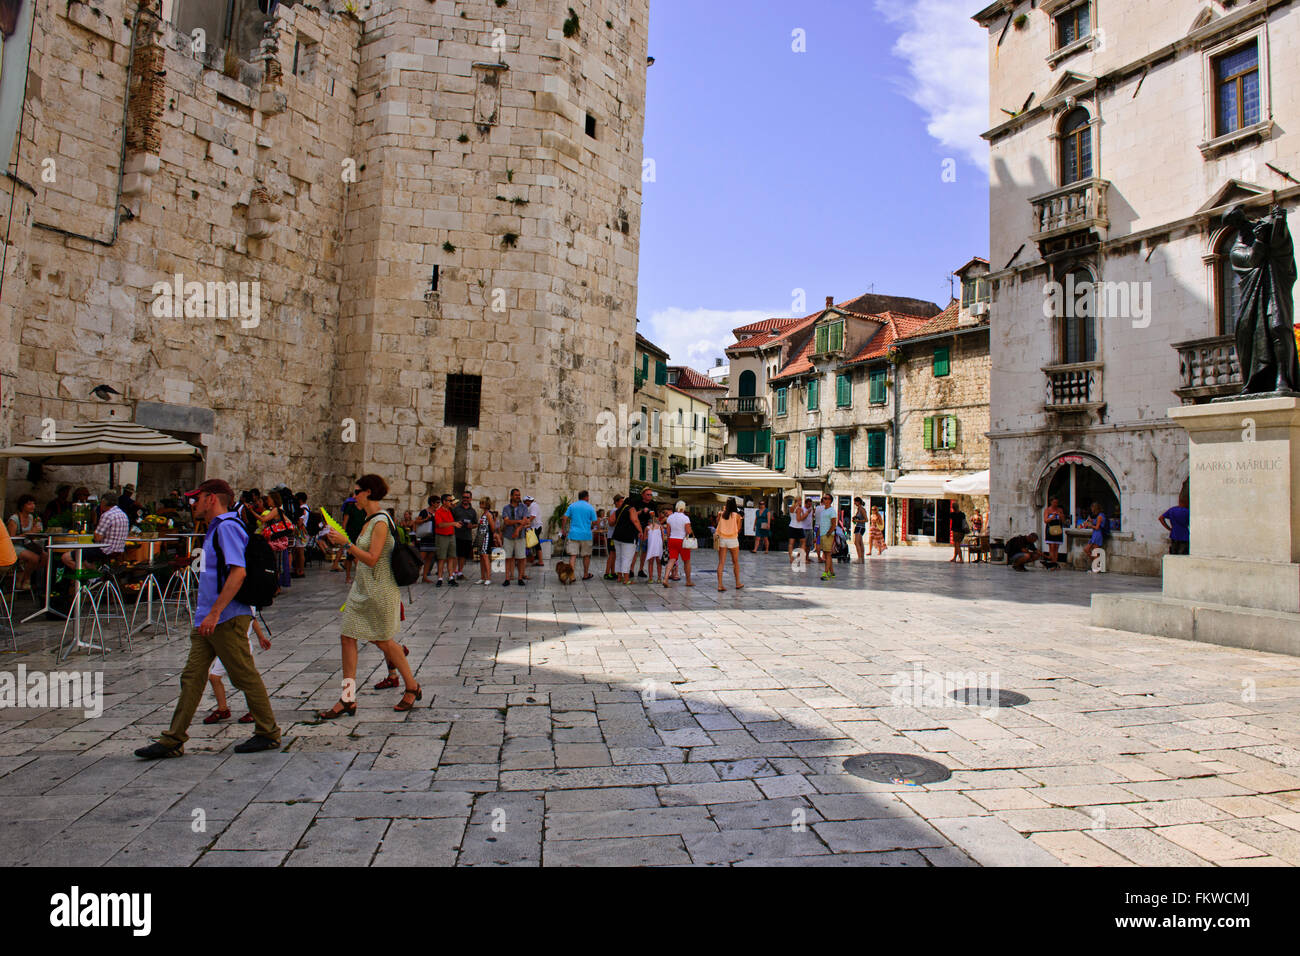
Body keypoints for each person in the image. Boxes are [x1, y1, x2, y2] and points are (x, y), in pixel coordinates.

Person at [135, 479, 281, 758]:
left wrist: (215, 613)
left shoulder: (227, 528)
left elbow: (238, 572)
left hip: (225, 618)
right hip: (209, 619)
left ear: (212, 499)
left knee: (244, 676)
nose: (193, 504)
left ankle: (268, 732)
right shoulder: (218, 529)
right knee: (192, 678)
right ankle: (173, 738)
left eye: (198, 498)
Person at [319, 474, 421, 717]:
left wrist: (346, 544)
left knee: (384, 642)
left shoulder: (381, 522)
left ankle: (412, 686)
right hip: (362, 590)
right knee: (347, 638)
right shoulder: (369, 519)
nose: (353, 496)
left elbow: (373, 559)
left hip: (380, 591)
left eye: (356, 492)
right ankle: (347, 698)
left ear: (368, 492)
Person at [204, 613, 272, 724]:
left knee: (246, 679)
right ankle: (222, 709)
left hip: (239, 644)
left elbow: (252, 618)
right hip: (227, 644)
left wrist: (261, 637)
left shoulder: (243, 604)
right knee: (214, 677)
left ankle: (255, 711)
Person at [61, 490, 128, 571]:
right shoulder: (123, 515)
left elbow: (97, 538)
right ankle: (94, 578)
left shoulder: (107, 515)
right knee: (86, 559)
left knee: (66, 557)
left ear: (104, 502)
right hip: (118, 550)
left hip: (105, 550)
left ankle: (84, 576)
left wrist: (95, 533)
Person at [7, 494, 44, 591]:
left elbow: (31, 535)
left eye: (34, 504)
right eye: (29, 504)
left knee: (46, 556)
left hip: (26, 544)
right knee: (34, 558)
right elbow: (11, 539)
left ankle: (23, 575)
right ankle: (26, 579)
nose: (33, 506)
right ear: (22, 506)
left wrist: (36, 531)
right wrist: (30, 532)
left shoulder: (31, 517)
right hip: (14, 546)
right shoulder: (14, 519)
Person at [561, 490, 598, 580]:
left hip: (573, 534)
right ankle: (585, 575)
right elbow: (595, 522)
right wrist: (592, 525)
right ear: (586, 497)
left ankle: (572, 576)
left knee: (573, 555)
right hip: (586, 535)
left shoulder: (572, 506)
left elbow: (564, 518)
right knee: (586, 555)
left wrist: (563, 530)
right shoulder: (590, 507)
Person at [500, 488, 532, 586]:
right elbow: (506, 521)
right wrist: (518, 521)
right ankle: (507, 578)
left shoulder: (524, 507)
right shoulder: (506, 508)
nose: (518, 497)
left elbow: (526, 521)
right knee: (508, 557)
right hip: (508, 535)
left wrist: (518, 529)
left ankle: (520, 578)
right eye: (516, 495)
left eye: (519, 495)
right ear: (511, 496)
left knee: (521, 557)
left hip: (520, 536)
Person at [610, 492, 642, 584]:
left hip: (617, 536)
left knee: (619, 557)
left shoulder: (619, 509)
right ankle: (626, 579)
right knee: (627, 558)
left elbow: (611, 521)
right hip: (628, 537)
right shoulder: (631, 508)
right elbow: (634, 520)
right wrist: (641, 531)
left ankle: (619, 577)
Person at [663, 500, 695, 588]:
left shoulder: (670, 518)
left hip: (672, 540)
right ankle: (688, 581)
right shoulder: (685, 518)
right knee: (686, 561)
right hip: (682, 541)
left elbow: (668, 532)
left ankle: (665, 578)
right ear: (684, 508)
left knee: (672, 560)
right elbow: (688, 531)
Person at [715, 497, 743, 591]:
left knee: (721, 562)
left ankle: (719, 585)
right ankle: (738, 583)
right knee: (735, 562)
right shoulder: (737, 516)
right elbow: (738, 529)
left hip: (722, 539)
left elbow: (717, 523)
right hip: (733, 540)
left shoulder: (721, 514)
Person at [433, 493, 457, 587]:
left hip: (451, 535)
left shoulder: (450, 511)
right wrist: (453, 524)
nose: (451, 502)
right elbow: (440, 525)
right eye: (450, 500)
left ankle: (451, 577)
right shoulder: (438, 512)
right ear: (444, 502)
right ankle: (440, 578)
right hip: (442, 536)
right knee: (441, 558)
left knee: (451, 557)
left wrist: (454, 524)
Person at [452, 491, 477, 582]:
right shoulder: (456, 509)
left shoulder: (473, 511)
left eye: (467, 497)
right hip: (456, 535)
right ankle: (453, 572)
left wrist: (472, 526)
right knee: (455, 554)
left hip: (466, 536)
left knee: (463, 555)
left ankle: (460, 572)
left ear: (470, 499)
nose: (465, 499)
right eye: (464, 497)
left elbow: (475, 523)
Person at [413, 495, 438, 583]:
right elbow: (417, 521)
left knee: (429, 558)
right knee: (421, 558)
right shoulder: (424, 512)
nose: (438, 504)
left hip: (434, 537)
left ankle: (424, 576)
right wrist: (425, 520)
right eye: (437, 502)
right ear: (432, 503)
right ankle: (415, 576)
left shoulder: (437, 512)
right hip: (425, 537)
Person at [1159, 491, 1191, 556]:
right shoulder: (1187, 511)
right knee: (1183, 555)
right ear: (1186, 502)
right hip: (1185, 536)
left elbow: (1161, 518)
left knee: (1173, 554)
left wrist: (1169, 528)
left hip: (1174, 535)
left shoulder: (1172, 510)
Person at [476, 495, 498, 585]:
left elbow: (493, 528)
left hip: (486, 536)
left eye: (482, 503)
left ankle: (488, 577)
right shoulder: (483, 514)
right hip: (481, 536)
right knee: (481, 557)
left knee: (485, 556)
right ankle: (483, 577)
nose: (480, 504)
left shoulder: (489, 514)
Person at [815, 493, 836, 581]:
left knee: (827, 554)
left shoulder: (832, 511)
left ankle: (826, 573)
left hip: (828, 535)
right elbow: (821, 523)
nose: (825, 500)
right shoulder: (823, 510)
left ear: (830, 501)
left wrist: (829, 532)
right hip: (822, 534)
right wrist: (818, 534)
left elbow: (834, 523)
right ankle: (832, 572)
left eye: (826, 498)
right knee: (827, 554)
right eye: (824, 498)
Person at [1083, 501, 1109, 571]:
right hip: (1095, 534)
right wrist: (1091, 520)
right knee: (1086, 549)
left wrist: (1090, 525)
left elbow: (1097, 527)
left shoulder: (1100, 516)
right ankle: (1097, 564)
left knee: (1095, 552)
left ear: (1095, 508)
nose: (1091, 510)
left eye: (1092, 508)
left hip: (1098, 534)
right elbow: (1096, 522)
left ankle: (1096, 567)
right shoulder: (1099, 516)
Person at [1043, 497, 1066, 566]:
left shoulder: (1060, 510)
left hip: (1058, 528)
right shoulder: (1047, 510)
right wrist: (1052, 516)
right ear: (1051, 502)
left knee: (1056, 546)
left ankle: (1055, 562)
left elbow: (1063, 521)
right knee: (1052, 546)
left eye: (1057, 502)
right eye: (1054, 502)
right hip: (1050, 528)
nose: (1055, 504)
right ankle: (1052, 562)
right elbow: (1045, 520)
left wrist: (1060, 515)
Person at [292, 492, 310, 577]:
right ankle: (299, 570)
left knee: (300, 552)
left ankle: (301, 571)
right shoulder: (307, 507)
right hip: (303, 532)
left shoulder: (302, 509)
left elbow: (300, 522)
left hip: (301, 532)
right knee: (299, 552)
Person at [603, 498, 621, 580]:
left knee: (614, 555)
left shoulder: (616, 510)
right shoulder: (615, 510)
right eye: (621, 501)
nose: (622, 503)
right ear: (616, 502)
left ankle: (613, 572)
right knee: (612, 554)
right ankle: (607, 573)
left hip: (613, 535)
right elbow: (612, 523)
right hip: (612, 536)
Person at [645, 508, 664, 583]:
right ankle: (659, 578)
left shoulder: (647, 528)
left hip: (651, 547)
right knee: (659, 563)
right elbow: (663, 537)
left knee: (650, 563)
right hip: (658, 547)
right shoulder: (660, 527)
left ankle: (650, 579)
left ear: (648, 522)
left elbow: (644, 538)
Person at [525, 495, 544, 568]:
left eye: (525, 502)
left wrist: (526, 523)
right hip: (535, 527)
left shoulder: (533, 506)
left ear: (527, 501)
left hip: (536, 527)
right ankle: (536, 560)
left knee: (536, 544)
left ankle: (541, 561)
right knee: (535, 544)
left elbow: (533, 516)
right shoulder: (533, 506)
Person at [852, 497, 867, 562]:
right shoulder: (858, 509)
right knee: (860, 543)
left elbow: (866, 519)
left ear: (858, 502)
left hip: (860, 527)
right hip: (859, 526)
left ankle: (859, 558)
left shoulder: (862, 509)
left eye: (855, 502)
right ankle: (862, 558)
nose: (854, 503)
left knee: (856, 542)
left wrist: (858, 521)